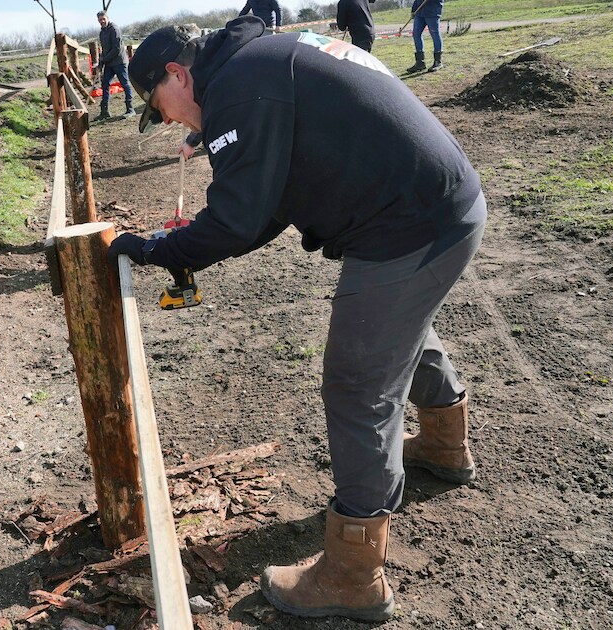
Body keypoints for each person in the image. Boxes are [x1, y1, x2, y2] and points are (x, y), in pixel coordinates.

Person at [108, 16, 485, 622]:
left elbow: (241, 218)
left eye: (161, 107)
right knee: (395, 327)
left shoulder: (239, 87)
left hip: (410, 223)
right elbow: (267, 190)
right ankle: (444, 444)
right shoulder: (255, 65)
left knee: (358, 382)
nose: (172, 121)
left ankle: (353, 574)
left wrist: (158, 248)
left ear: (177, 74)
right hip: (434, 201)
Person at [95, 10, 134, 120]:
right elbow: (105, 49)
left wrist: (105, 59)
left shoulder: (114, 30)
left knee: (125, 84)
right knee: (105, 84)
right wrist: (101, 60)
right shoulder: (102, 32)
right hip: (109, 63)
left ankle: (130, 109)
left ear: (107, 18)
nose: (102, 21)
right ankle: (104, 111)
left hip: (119, 62)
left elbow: (116, 49)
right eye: (100, 20)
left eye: (103, 19)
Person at [407, 0, 445, 72]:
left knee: (435, 34)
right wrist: (413, 10)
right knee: (416, 34)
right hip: (419, 12)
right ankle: (420, 63)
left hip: (432, 11)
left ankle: (438, 62)